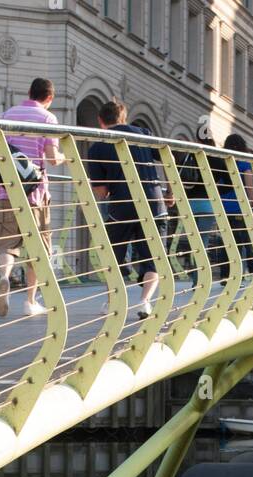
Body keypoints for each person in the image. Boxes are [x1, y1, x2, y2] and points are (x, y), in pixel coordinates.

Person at [84, 99, 172, 319]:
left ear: (100, 121)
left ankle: (112, 302)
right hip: (154, 200)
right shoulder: (143, 133)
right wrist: (171, 191)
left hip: (122, 205)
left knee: (114, 254)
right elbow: (167, 157)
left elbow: (101, 192)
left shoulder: (98, 146)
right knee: (154, 256)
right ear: (124, 117)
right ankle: (145, 302)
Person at [0, 78, 63, 318]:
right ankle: (30, 301)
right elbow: (51, 158)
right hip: (36, 193)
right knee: (38, 247)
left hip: (7, 189)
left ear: (29, 93)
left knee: (6, 241)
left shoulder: (7, 115)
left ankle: (4, 277)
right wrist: (65, 157)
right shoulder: (48, 119)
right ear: (49, 98)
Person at [178, 123, 227, 275]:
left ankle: (195, 276)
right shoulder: (217, 158)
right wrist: (215, 190)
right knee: (203, 241)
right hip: (208, 204)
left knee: (194, 241)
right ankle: (200, 278)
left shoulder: (190, 155)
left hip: (190, 204)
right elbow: (230, 182)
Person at [214, 133, 253, 277]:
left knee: (227, 242)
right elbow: (250, 188)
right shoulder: (244, 165)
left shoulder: (221, 165)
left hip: (224, 209)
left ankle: (226, 276)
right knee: (246, 241)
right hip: (241, 209)